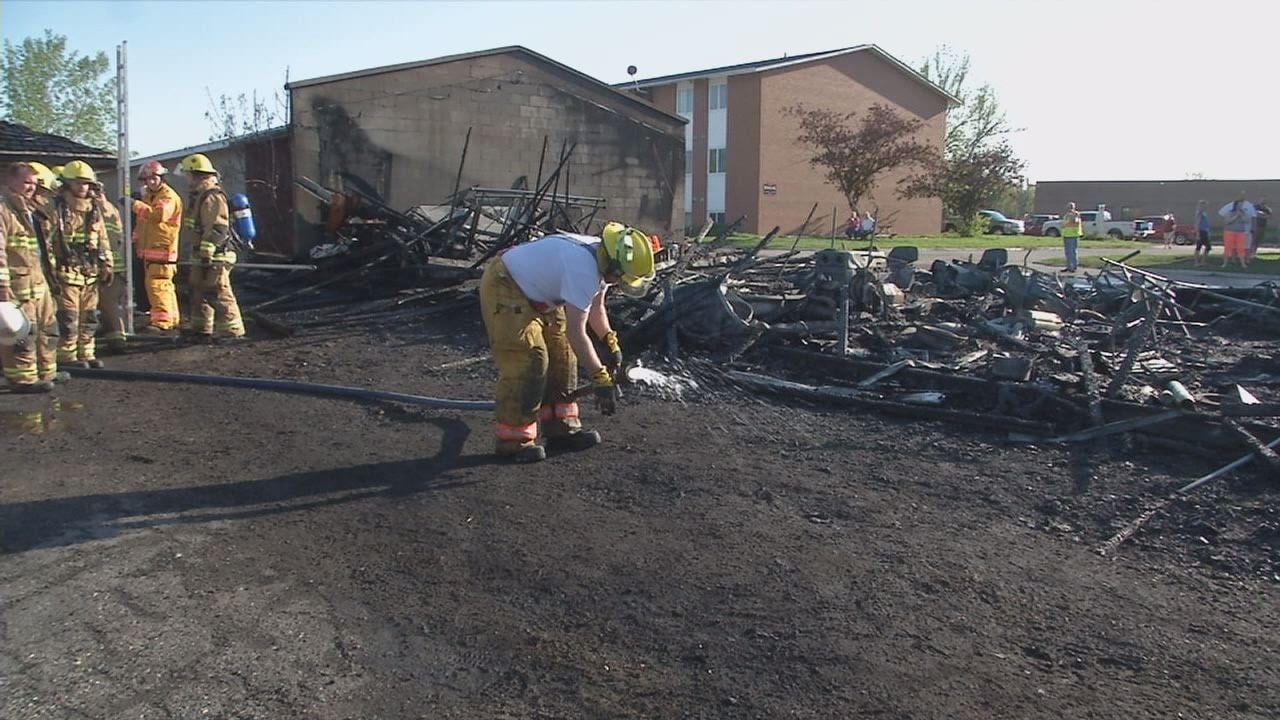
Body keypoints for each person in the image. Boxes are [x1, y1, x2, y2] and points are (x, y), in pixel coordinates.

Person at [478, 221, 655, 463]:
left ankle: (561, 430)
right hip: (506, 284)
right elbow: (577, 332)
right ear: (612, 265)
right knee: (530, 360)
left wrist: (609, 339)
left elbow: (596, 306)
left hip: (541, 294)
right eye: (619, 277)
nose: (618, 282)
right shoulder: (584, 270)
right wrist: (600, 377)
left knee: (563, 357)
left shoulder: (601, 256)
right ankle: (513, 442)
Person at [0, 162, 62, 392]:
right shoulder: (4, 210)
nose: (31, 188)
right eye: (27, 182)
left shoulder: (29, 209)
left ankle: (47, 372)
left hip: (38, 282)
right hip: (18, 286)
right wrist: (2, 286)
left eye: (34, 184)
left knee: (48, 329)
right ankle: (23, 379)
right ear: (11, 181)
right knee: (22, 333)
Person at [51, 160, 112, 369]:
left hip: (89, 271)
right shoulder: (56, 208)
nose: (82, 187)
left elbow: (102, 238)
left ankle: (86, 353)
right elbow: (48, 240)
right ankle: (67, 356)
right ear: (67, 183)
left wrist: (107, 263)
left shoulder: (93, 209)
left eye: (85, 183)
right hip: (66, 271)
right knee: (68, 316)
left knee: (89, 316)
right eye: (77, 182)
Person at [177, 153, 244, 340]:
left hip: (217, 253)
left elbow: (217, 226)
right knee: (198, 289)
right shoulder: (198, 195)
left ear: (196, 175)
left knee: (219, 291)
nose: (186, 179)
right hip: (201, 253)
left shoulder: (212, 196)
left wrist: (207, 250)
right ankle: (201, 328)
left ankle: (232, 331)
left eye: (187, 175)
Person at [131, 160, 183, 334]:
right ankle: (171, 318)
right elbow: (143, 223)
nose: (151, 182)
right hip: (151, 251)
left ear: (162, 178)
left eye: (154, 178)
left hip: (162, 250)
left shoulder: (167, 196)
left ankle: (162, 322)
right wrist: (135, 237)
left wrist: (135, 205)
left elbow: (159, 215)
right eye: (147, 179)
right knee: (164, 286)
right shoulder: (149, 197)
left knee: (157, 285)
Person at [93, 185, 128, 354]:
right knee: (109, 304)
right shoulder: (111, 208)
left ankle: (117, 341)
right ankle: (114, 336)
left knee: (107, 304)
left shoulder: (95, 209)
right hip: (115, 265)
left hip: (104, 265)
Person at [1218, 192, 1256, 269]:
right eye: (1239, 205)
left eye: (1241, 205)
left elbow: (1248, 220)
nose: (1240, 206)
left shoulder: (1244, 213)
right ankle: (1225, 263)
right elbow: (1227, 221)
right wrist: (1236, 216)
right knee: (1228, 247)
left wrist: (1241, 215)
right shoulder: (1230, 212)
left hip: (1240, 232)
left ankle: (1243, 263)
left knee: (1240, 248)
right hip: (1229, 232)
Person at [1061, 202, 1083, 272]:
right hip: (1066, 235)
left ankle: (1074, 266)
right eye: (1068, 207)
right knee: (1067, 252)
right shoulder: (1067, 215)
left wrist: (1068, 222)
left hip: (1073, 235)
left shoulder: (1075, 214)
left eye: (1070, 207)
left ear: (1073, 207)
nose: (1069, 209)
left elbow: (1075, 223)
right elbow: (1063, 224)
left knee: (1072, 252)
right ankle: (1068, 266)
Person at [1193, 200, 1212, 266]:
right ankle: (1197, 262)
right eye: (1203, 205)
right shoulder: (1199, 213)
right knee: (1202, 247)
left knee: (1204, 247)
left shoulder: (1204, 213)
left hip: (1205, 231)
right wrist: (1197, 233)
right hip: (1201, 232)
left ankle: (1202, 262)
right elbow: (1197, 223)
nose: (1205, 207)